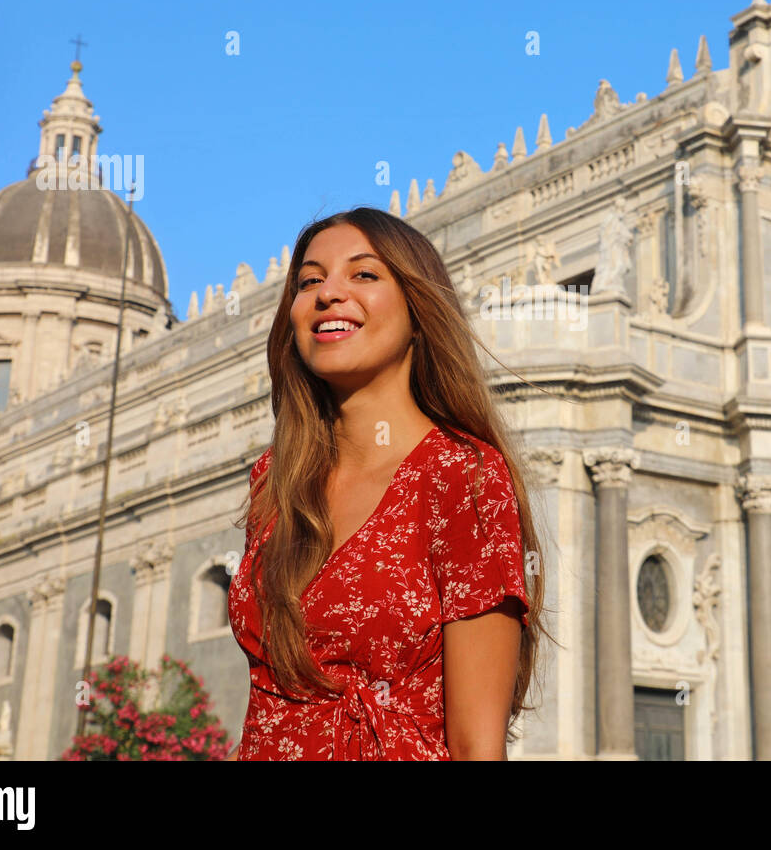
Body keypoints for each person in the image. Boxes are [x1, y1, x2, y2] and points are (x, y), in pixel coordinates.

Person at [225, 206, 546, 760]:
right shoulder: (276, 482)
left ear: (418, 310)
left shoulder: (460, 478)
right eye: (309, 281)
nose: (328, 293)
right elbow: (265, 711)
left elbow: (477, 745)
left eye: (364, 274)